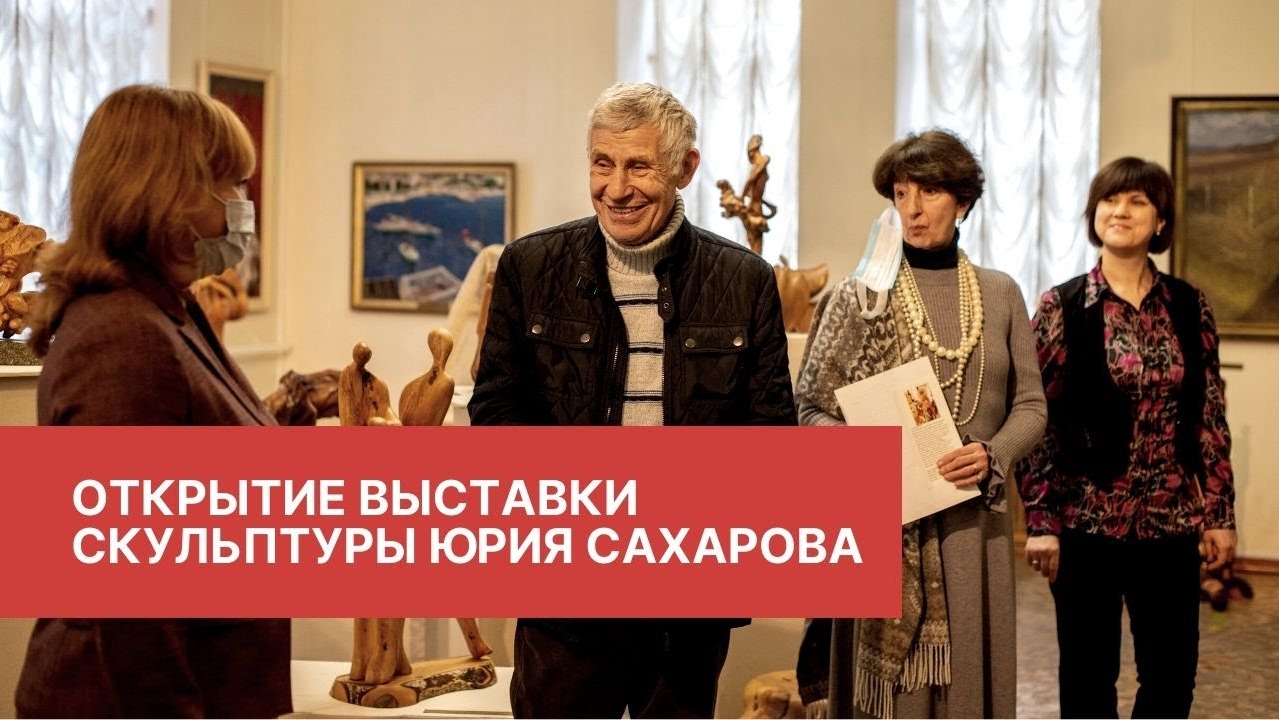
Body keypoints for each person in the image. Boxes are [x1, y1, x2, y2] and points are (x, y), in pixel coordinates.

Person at [469, 81, 796, 718]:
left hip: (688, 600)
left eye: (639, 166)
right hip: (562, 596)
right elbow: (495, 413)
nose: (616, 188)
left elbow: (769, 434)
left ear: (685, 168)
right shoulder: (528, 267)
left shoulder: (745, 281)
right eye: (602, 163)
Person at [16, 85, 290, 718]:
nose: (243, 204)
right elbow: (131, 589)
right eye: (230, 184)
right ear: (168, 192)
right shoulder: (122, 333)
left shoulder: (168, 308)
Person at [794, 129, 1046, 718]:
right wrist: (861, 451)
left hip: (972, 528)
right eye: (901, 193)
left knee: (968, 691)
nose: (912, 208)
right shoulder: (859, 298)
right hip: (884, 525)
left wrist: (993, 454)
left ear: (963, 202)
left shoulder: (1000, 293)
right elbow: (808, 409)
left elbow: (1032, 406)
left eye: (929, 192)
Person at [1016, 157, 1236, 719]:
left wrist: (1219, 514)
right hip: (1087, 521)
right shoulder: (1061, 306)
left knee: (1171, 678)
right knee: (1088, 681)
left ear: (1160, 220)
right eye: (1110, 200)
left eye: (1138, 201)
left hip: (1170, 521)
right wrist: (1040, 522)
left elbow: (1210, 415)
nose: (1121, 210)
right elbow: (1037, 418)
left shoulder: (1189, 305)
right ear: (1095, 215)